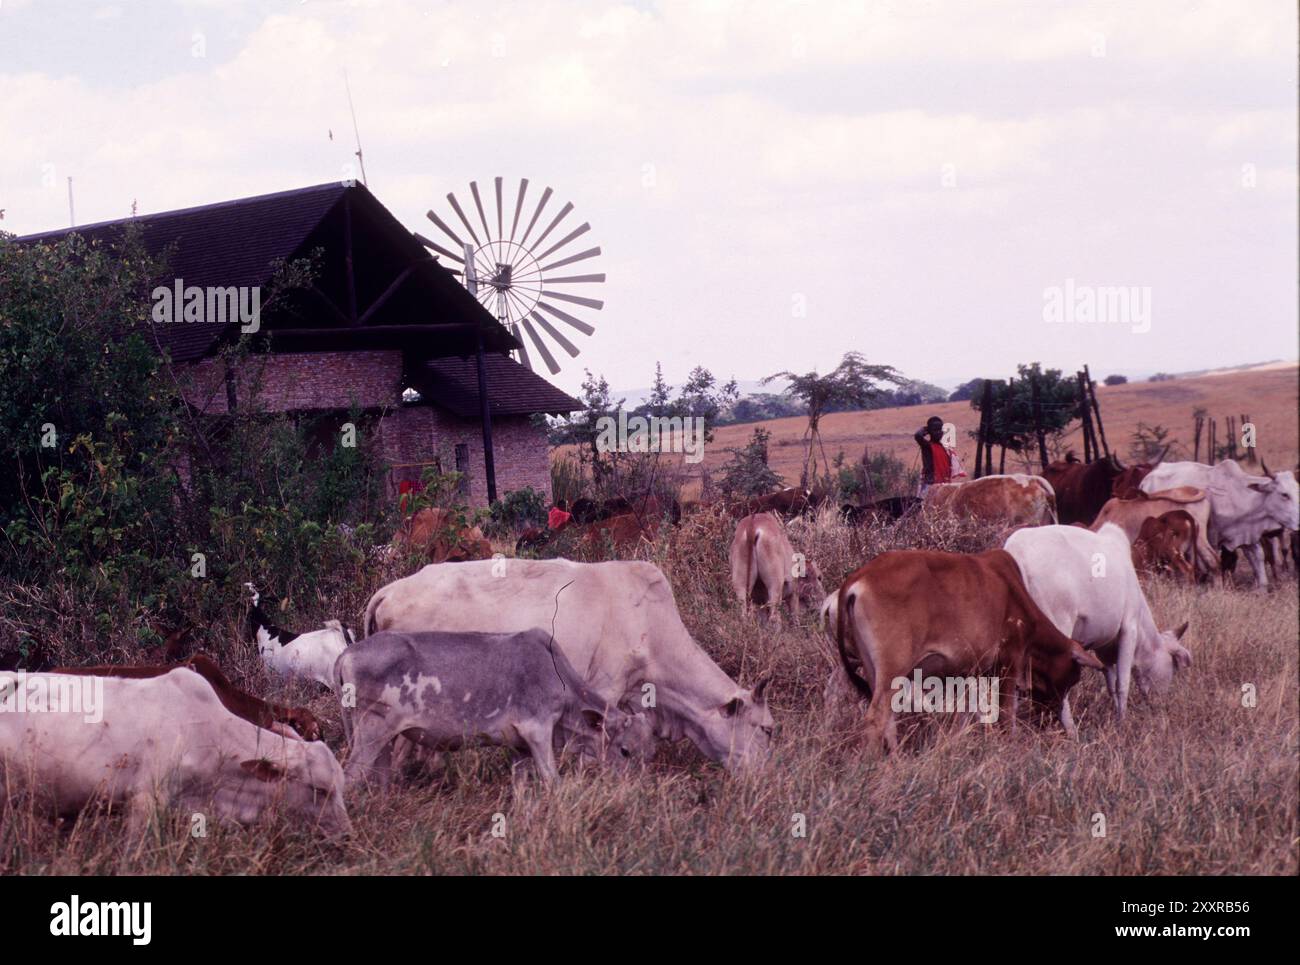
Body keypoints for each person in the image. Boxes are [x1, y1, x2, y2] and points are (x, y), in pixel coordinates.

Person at [914, 416, 967, 495]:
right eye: (935, 430)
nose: (938, 432)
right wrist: (925, 429)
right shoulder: (927, 446)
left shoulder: (945, 448)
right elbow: (918, 435)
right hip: (930, 484)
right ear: (930, 432)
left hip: (944, 485)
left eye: (940, 430)